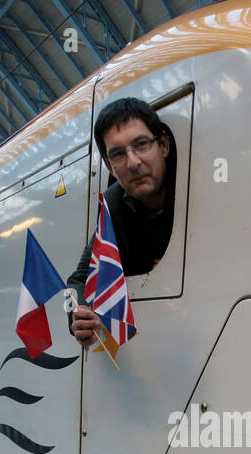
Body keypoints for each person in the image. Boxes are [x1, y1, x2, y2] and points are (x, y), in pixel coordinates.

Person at [67, 97, 177, 349]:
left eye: (141, 145)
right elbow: (75, 282)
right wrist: (76, 310)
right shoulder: (113, 207)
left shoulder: (196, 183)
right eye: (117, 154)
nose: (134, 163)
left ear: (163, 144)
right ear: (108, 165)